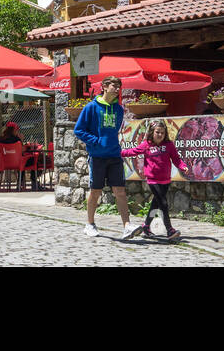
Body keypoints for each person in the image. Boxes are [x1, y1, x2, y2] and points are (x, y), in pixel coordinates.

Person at [73, 76, 141, 239]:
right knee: (95, 191)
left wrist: (109, 143)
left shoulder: (118, 109)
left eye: (119, 86)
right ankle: (89, 224)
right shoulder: (91, 108)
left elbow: (114, 130)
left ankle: (127, 226)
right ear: (104, 87)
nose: (117, 89)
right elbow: (79, 130)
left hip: (114, 155)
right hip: (97, 157)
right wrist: (96, 141)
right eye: (113, 85)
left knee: (120, 191)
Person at [122, 119, 189, 240]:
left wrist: (183, 166)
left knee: (156, 204)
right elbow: (133, 151)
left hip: (166, 180)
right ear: (152, 132)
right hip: (153, 180)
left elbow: (176, 159)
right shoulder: (146, 145)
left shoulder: (169, 145)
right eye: (157, 132)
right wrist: (118, 153)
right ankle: (169, 230)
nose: (160, 135)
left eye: (162, 133)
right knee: (163, 203)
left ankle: (146, 226)